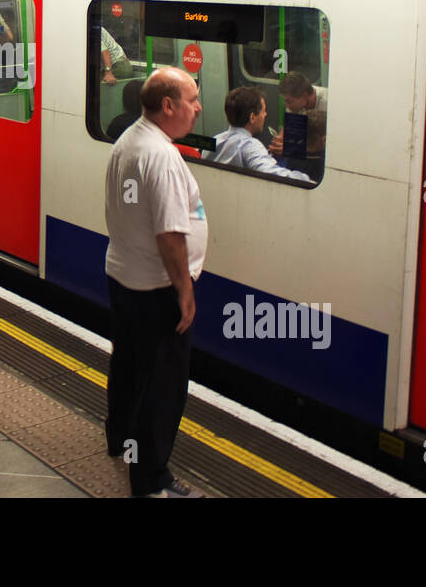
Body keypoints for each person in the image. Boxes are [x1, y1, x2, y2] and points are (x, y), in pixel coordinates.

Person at [103, 67, 207, 498]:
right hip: (156, 289)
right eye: (192, 100)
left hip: (125, 277)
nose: (199, 108)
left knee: (128, 366)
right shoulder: (162, 156)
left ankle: (119, 439)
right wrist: (184, 289)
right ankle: (150, 479)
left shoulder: (130, 139)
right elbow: (169, 234)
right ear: (168, 105)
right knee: (163, 385)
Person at [204, 87, 315, 183]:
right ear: (252, 117)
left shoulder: (216, 140)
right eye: (263, 111)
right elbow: (271, 173)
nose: (265, 115)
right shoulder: (249, 145)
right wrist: (307, 180)